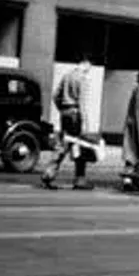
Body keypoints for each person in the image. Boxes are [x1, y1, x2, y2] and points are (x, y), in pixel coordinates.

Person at [42, 54, 93, 190]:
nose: (89, 70)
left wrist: (62, 109)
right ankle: (80, 180)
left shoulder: (67, 75)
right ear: (86, 63)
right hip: (76, 115)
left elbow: (55, 95)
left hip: (65, 114)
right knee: (81, 146)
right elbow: (82, 103)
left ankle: (49, 172)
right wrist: (86, 124)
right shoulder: (82, 78)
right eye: (90, 66)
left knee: (63, 144)